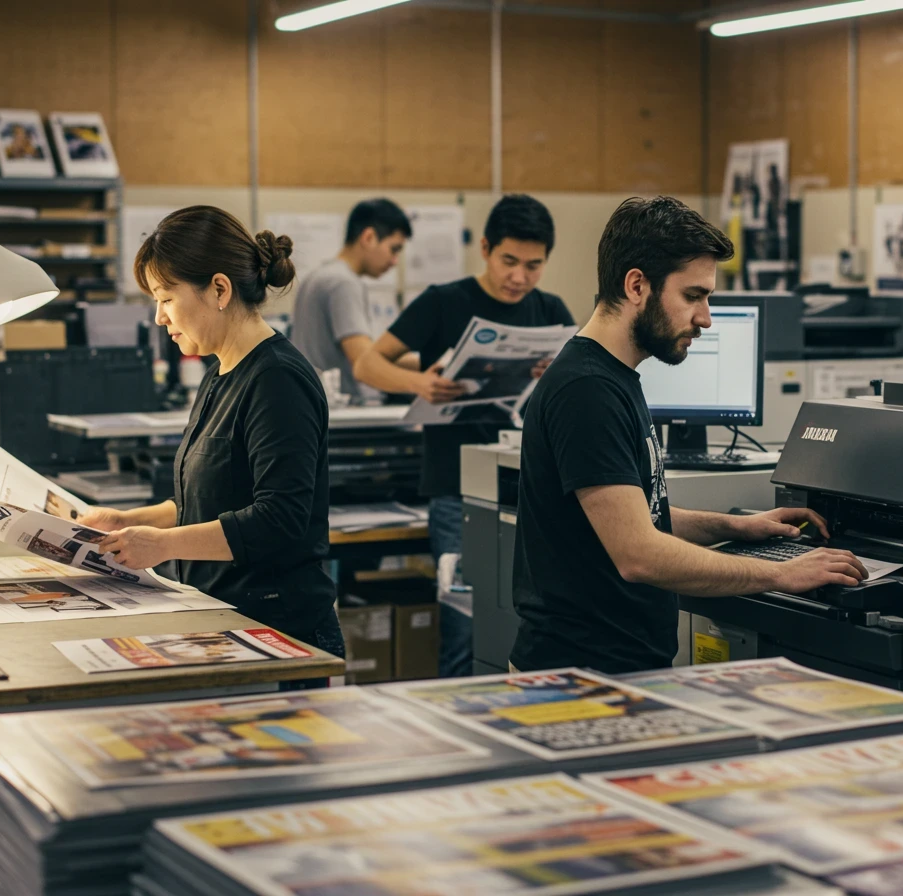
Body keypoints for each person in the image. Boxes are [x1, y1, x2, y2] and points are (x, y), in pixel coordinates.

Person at [510, 196, 867, 676]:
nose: (705, 318)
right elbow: (639, 553)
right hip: (582, 678)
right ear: (636, 285)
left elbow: (638, 513)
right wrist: (781, 574)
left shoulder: (612, 376)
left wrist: (736, 527)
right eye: (693, 296)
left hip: (611, 668)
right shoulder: (587, 391)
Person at [78, 206, 343, 663]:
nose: (159, 317)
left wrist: (160, 546)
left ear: (219, 289)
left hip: (279, 632)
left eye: (165, 297)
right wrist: (126, 522)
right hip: (222, 621)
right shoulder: (222, 370)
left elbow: (279, 519)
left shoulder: (278, 379)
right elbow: (212, 500)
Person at [354, 194, 575, 678]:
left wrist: (553, 376)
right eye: (509, 261)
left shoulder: (550, 310)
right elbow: (367, 362)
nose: (519, 277)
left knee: (526, 620)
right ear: (485, 248)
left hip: (529, 490)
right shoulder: (444, 301)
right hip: (456, 490)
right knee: (463, 625)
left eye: (534, 266)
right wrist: (419, 383)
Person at [290, 199, 413, 403]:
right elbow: (365, 363)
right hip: (340, 413)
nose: (394, 261)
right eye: (394, 249)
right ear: (369, 237)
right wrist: (424, 380)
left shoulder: (317, 276)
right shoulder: (343, 283)